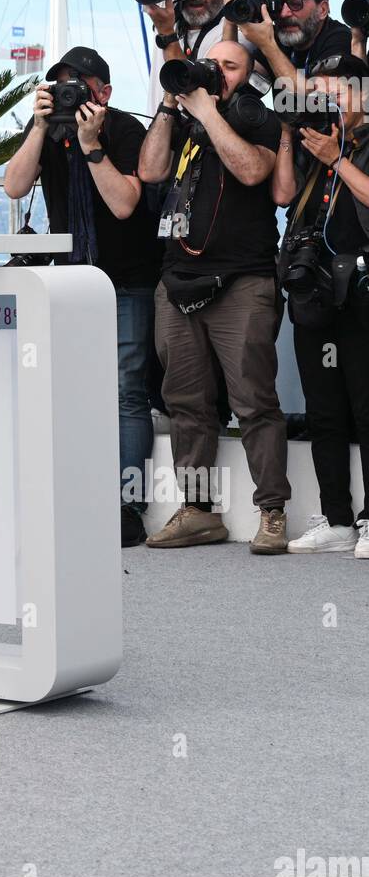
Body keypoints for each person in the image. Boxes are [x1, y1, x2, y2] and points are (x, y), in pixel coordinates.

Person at [137, 38, 291, 553]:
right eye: (212, 64)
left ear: (248, 76)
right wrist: (170, 103)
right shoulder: (183, 121)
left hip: (242, 280)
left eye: (229, 66)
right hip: (177, 280)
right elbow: (152, 171)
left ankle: (271, 511)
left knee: (255, 402)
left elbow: (252, 170)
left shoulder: (256, 117)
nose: (216, 72)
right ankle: (199, 512)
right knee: (186, 403)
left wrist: (209, 109)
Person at [3, 46, 161, 547]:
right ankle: (76, 495)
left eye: (80, 84)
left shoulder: (126, 130)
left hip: (125, 278)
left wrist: (93, 147)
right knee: (69, 389)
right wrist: (37, 126)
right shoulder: (50, 132)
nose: (71, 93)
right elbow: (13, 186)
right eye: (61, 85)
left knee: (125, 392)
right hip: (68, 282)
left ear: (105, 92)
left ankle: (127, 507)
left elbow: (124, 204)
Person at [271, 52, 369, 558]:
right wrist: (291, 133)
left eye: (337, 92)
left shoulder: (356, 145)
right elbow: (283, 196)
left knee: (365, 407)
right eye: (318, 93)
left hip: (361, 293)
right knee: (323, 410)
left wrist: (338, 159)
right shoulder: (317, 139)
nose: (326, 102)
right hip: (315, 294)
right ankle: (337, 519)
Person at [95, 0, 240, 112]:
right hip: (157, 133)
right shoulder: (168, 4)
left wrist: (166, 33)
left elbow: (188, 90)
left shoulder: (234, 29)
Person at [226, 0, 353, 99]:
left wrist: (267, 46)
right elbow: (231, 81)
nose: (284, 13)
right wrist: (230, 17)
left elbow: (317, 101)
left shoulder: (340, 37)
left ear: (322, 10)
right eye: (279, 4)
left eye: (295, 3)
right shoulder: (275, 36)